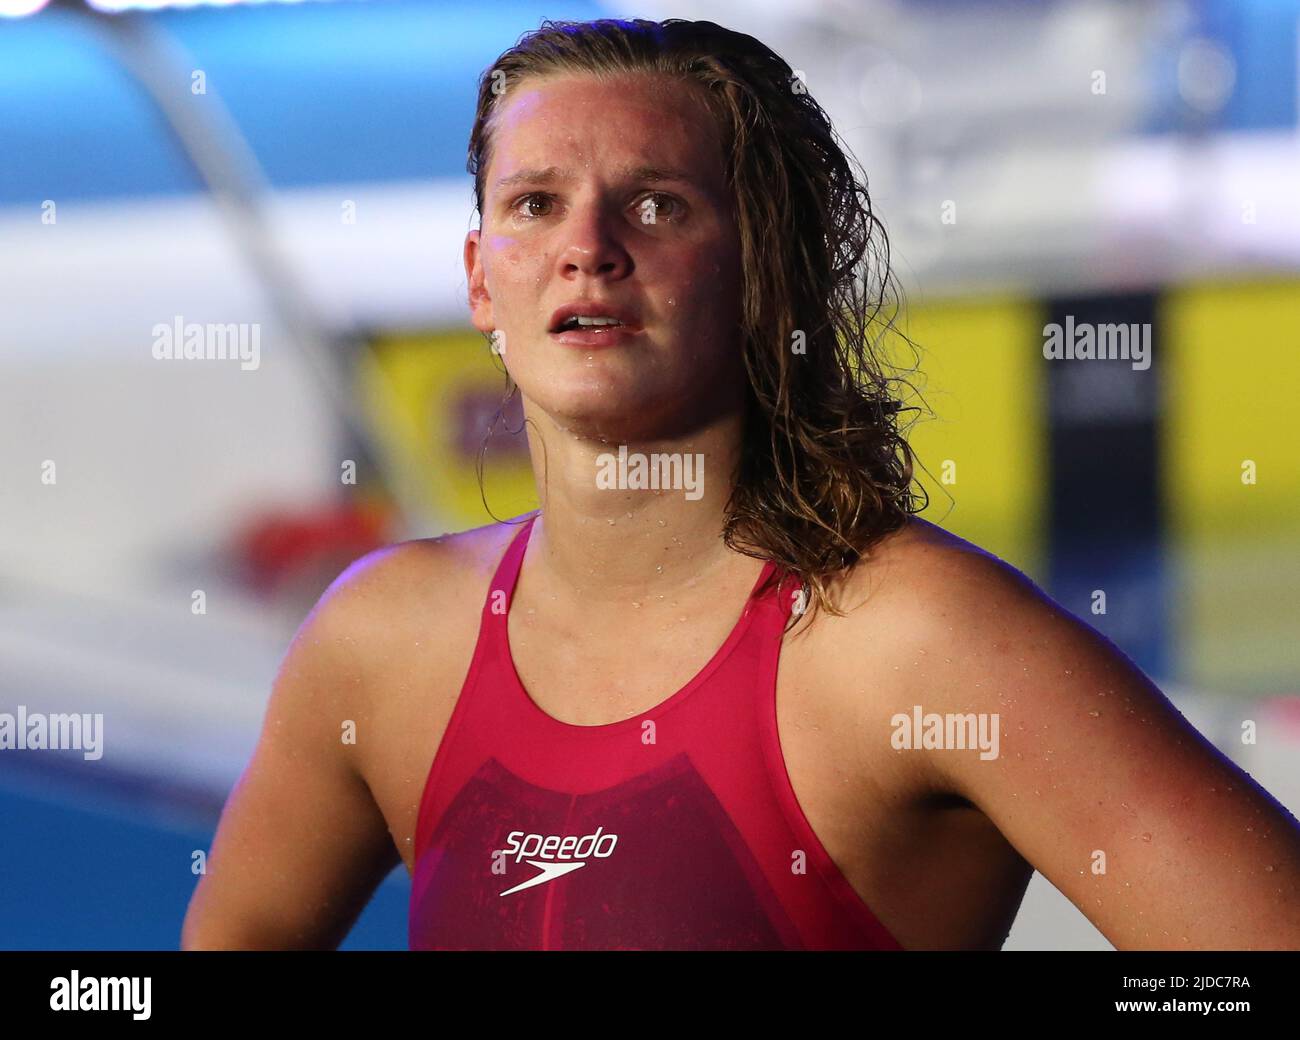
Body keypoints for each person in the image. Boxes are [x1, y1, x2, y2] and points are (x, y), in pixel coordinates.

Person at [181, 18, 1300, 950]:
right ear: (481, 279)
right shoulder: (382, 645)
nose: (587, 247)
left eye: (656, 204)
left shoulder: (911, 643)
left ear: (765, 265)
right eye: (533, 205)